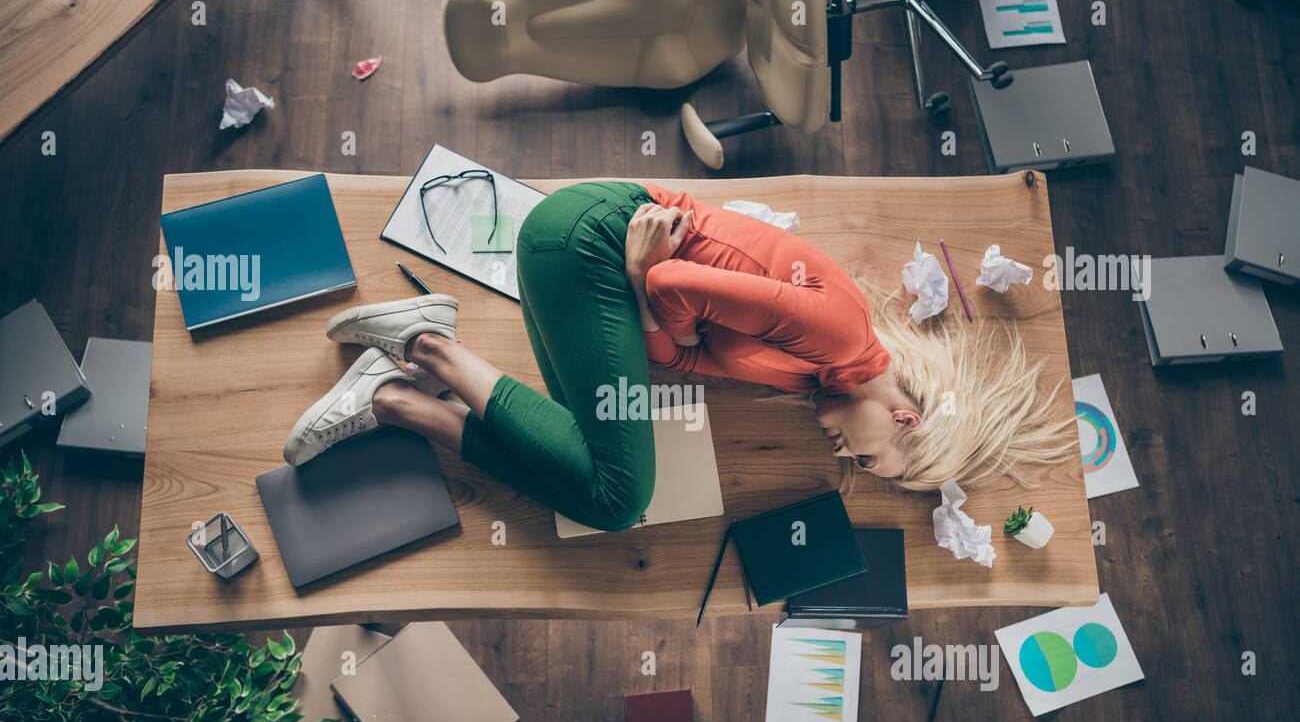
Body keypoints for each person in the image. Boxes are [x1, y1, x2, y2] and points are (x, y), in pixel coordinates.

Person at [283, 181, 1074, 531]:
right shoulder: (839, 337)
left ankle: (397, 398)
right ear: (902, 416)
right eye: (874, 460)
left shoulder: (813, 377)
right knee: (619, 499)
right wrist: (648, 289)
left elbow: (681, 361)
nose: (849, 461)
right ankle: (424, 349)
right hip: (587, 239)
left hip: (592, 258)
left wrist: (674, 322)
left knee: (588, 473)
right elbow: (668, 283)